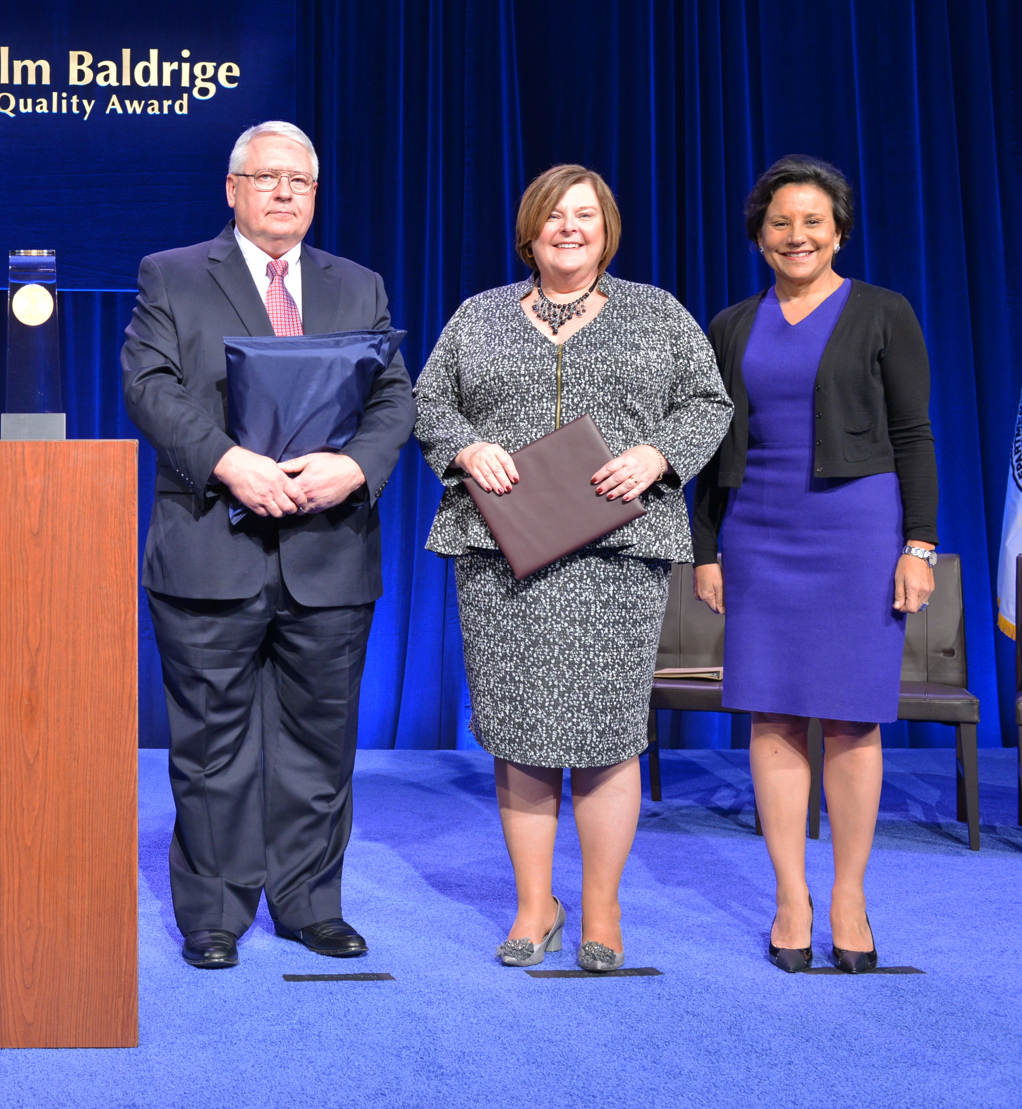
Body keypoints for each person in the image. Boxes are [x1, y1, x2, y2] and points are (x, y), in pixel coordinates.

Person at [416, 164, 730, 973]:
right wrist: (465, 445)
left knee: (607, 738)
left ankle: (601, 909)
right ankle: (533, 906)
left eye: (584, 215)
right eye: (554, 215)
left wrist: (659, 453)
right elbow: (427, 403)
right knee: (521, 738)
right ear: (531, 228)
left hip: (616, 558)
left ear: (606, 228)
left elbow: (710, 402)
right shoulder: (478, 315)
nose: (569, 227)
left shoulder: (656, 313)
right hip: (501, 557)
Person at [122, 121, 413, 970]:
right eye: (268, 178)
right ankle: (213, 912)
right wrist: (230, 463)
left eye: (301, 182)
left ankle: (309, 902)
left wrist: (353, 469)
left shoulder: (359, 285)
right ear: (233, 189)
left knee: (319, 743)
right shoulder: (171, 276)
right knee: (211, 744)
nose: (285, 193)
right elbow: (148, 388)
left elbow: (395, 400)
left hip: (329, 549)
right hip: (212, 545)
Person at [692, 154, 937, 973]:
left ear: (838, 231)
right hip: (759, 532)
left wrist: (919, 544)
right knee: (773, 714)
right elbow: (712, 444)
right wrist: (708, 546)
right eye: (780, 223)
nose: (796, 235)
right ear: (760, 236)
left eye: (812, 221)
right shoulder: (731, 324)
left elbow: (914, 436)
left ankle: (849, 894)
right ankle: (791, 894)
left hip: (857, 531)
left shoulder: (882, 311)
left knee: (852, 715)